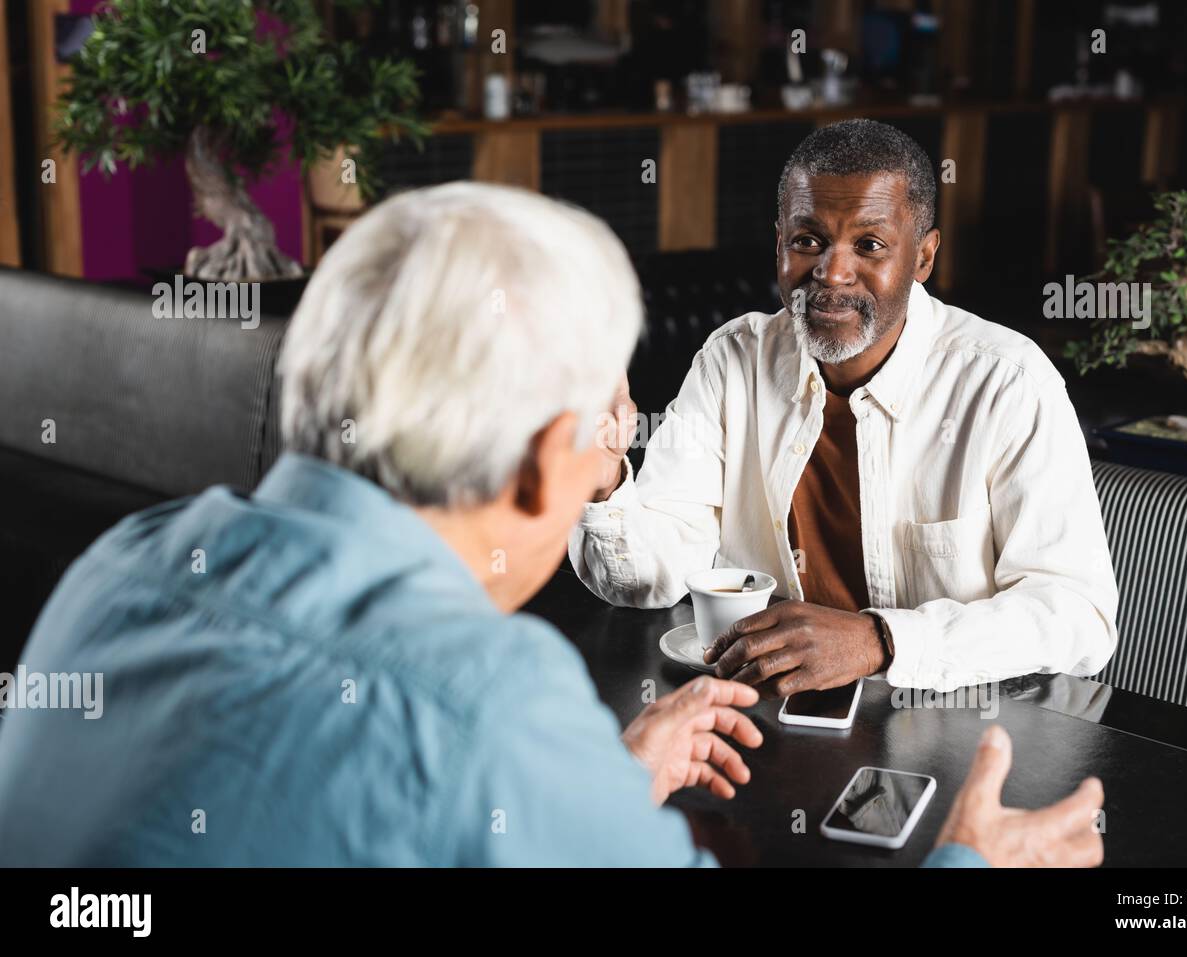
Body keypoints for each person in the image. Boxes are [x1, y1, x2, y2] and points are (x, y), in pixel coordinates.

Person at [0, 183, 1101, 867]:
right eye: (605, 426)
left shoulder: (125, 564)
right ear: (545, 464)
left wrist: (592, 787)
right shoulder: (488, 705)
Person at [571, 119, 1119, 698]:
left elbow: (1078, 617)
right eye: (807, 241)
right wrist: (603, 479)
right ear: (778, 242)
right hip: (765, 712)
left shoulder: (1006, 381)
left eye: (870, 245)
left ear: (924, 257)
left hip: (957, 722)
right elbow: (649, 578)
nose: (831, 272)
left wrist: (879, 641)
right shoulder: (734, 360)